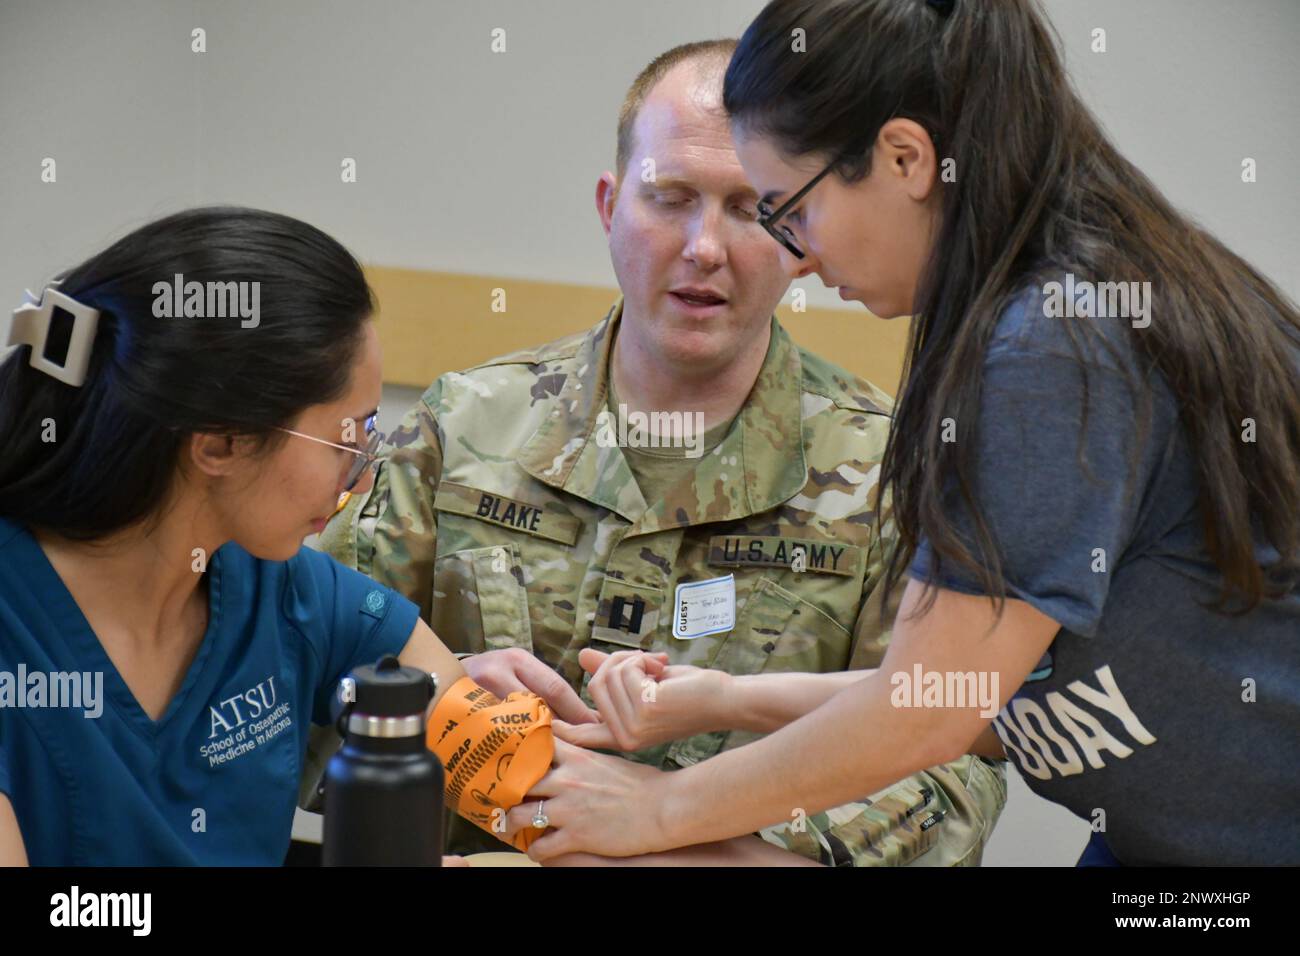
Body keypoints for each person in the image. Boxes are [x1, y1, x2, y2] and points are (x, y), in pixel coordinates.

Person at [494, 0, 1300, 867]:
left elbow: (926, 713)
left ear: (907, 159)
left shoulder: (1052, 342)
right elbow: (964, 677)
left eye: (783, 209)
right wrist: (726, 698)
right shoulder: (1059, 295)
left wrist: (657, 812)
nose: (794, 256)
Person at [321, 39, 1006, 866]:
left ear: (799, 236)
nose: (704, 247)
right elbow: (301, 663)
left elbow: (954, 756)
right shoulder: (462, 426)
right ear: (611, 207)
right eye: (670, 198)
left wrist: (694, 845)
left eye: (749, 210)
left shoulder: (894, 470)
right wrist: (444, 709)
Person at [0, 207, 543, 865]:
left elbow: (519, 787)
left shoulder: (289, 596)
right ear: (220, 444)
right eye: (347, 439)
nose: (360, 481)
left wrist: (667, 786)